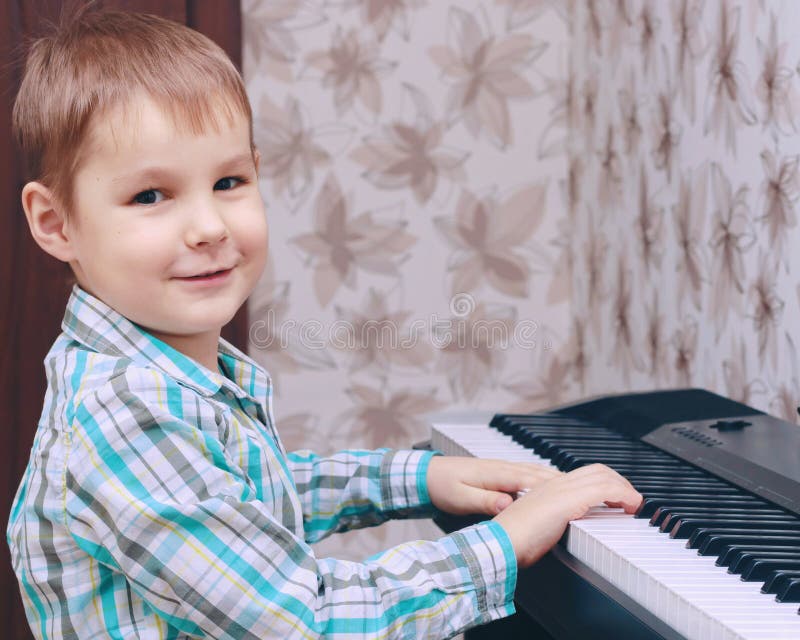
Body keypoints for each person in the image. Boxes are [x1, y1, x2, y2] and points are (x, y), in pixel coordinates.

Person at [7, 7, 642, 639]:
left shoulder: (156, 379)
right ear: (56, 222)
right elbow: (307, 622)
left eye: (229, 181)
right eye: (151, 196)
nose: (209, 227)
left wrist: (417, 478)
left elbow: (244, 504)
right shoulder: (127, 415)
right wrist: (504, 544)